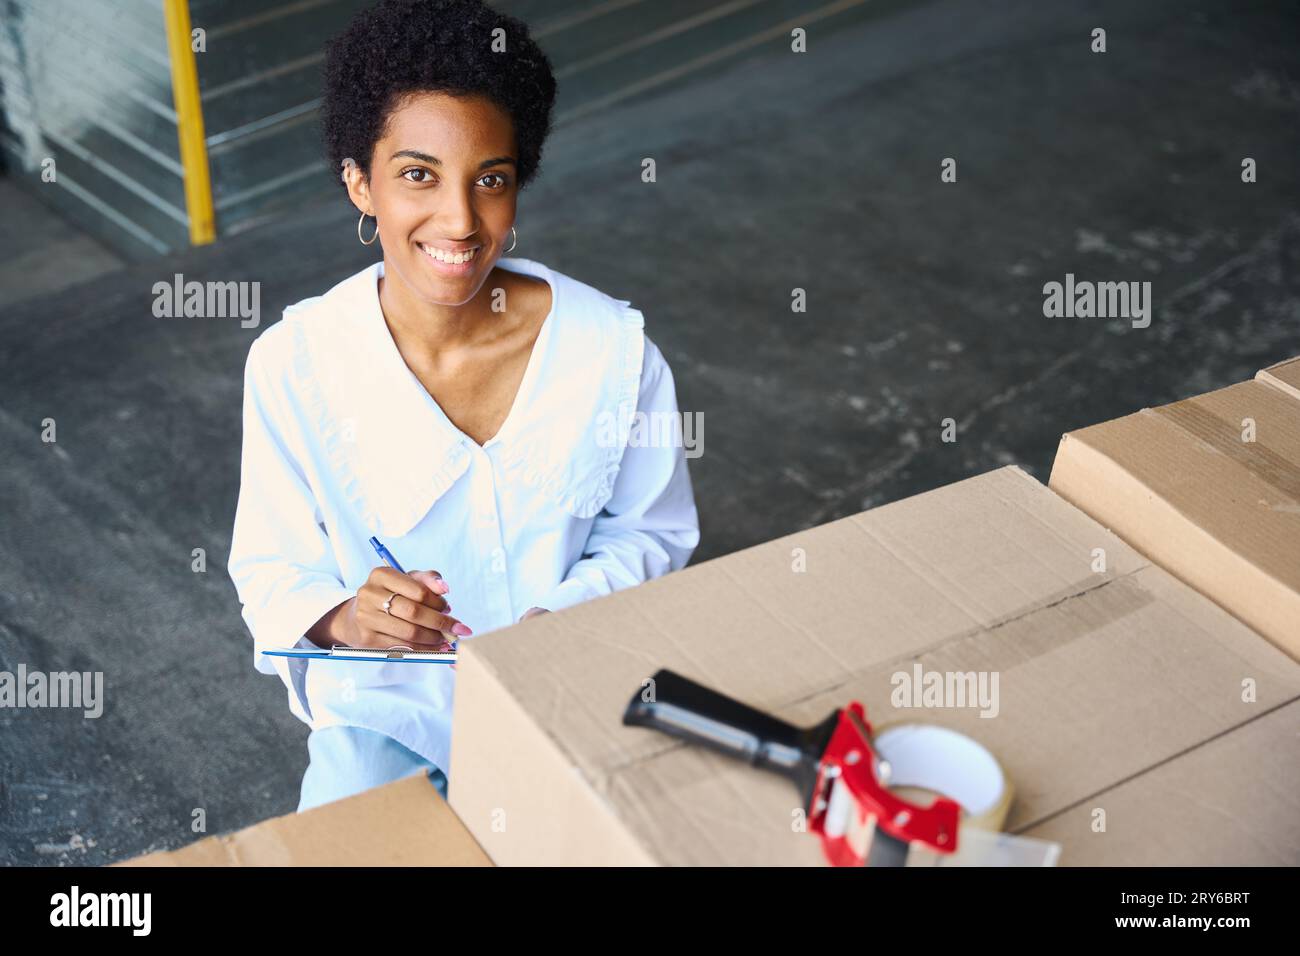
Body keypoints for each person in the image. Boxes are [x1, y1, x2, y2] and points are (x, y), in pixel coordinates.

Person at [227, 0, 699, 812]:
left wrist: (559, 617)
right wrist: (342, 615)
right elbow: (269, 568)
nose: (459, 219)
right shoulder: (294, 366)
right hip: (390, 711)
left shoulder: (612, 354)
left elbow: (653, 532)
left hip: (570, 690)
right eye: (418, 174)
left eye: (492, 180)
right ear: (358, 183)